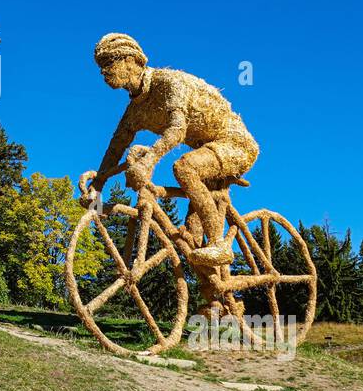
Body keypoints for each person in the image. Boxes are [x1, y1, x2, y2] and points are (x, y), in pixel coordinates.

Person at [88, 33, 258, 267]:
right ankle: (218, 301)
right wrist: (97, 185)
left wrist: (149, 161)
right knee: (192, 243)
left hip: (234, 145)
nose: (104, 71)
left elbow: (178, 130)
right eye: (101, 66)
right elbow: (116, 147)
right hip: (205, 153)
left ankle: (221, 245)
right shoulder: (134, 110)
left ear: (130, 60)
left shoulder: (169, 83)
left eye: (110, 62)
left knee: (185, 167)